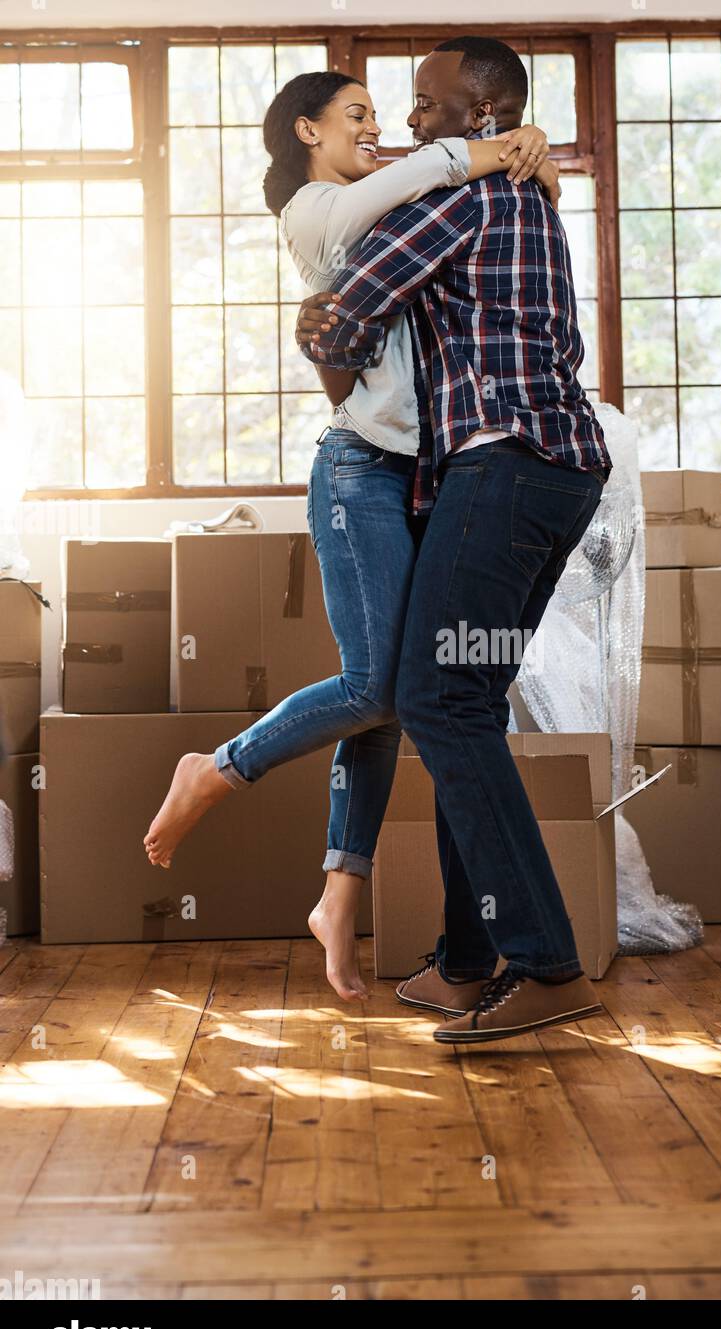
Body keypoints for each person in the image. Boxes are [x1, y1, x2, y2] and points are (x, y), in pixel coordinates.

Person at [143, 67, 558, 1004]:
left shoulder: (389, 206)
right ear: (305, 132)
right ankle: (217, 769)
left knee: (401, 698)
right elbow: (419, 176)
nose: (377, 130)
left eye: (381, 115)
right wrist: (494, 149)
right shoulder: (315, 210)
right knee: (377, 684)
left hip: (422, 475)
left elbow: (443, 189)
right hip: (360, 469)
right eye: (357, 115)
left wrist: (527, 155)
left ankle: (339, 891)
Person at [298, 38, 612, 1043]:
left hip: (501, 463)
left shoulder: (455, 201)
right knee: (463, 700)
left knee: (433, 696)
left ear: (481, 114)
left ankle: (547, 964)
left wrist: (321, 328)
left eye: (429, 106)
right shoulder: (527, 196)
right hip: (560, 468)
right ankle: (468, 956)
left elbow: (341, 320)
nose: (411, 122)